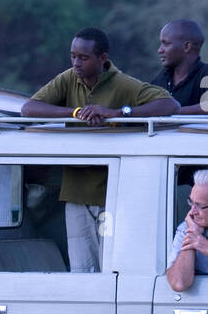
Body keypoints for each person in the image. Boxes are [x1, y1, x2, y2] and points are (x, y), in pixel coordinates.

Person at [21, 27, 179, 271]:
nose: (76, 63)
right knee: (81, 269)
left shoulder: (124, 85)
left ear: (103, 59)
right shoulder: (67, 79)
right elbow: (29, 109)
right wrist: (76, 113)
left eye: (83, 58)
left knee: (112, 267)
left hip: (113, 194)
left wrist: (118, 113)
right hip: (75, 192)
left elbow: (170, 104)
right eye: (73, 56)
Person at [150, 19, 208, 116]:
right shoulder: (162, 78)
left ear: (187, 46)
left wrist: (174, 111)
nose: (160, 50)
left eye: (166, 44)